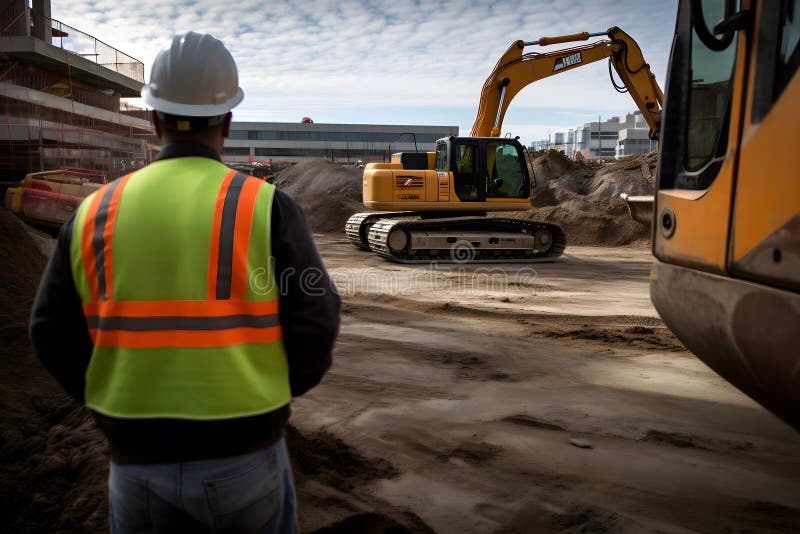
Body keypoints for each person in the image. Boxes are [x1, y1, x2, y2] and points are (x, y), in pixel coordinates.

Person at [29, 31, 339, 533]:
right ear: (229, 121)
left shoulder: (93, 213)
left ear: (153, 119)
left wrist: (109, 399)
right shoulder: (266, 207)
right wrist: (266, 402)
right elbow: (316, 324)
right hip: (244, 456)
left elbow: (49, 331)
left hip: (135, 462)